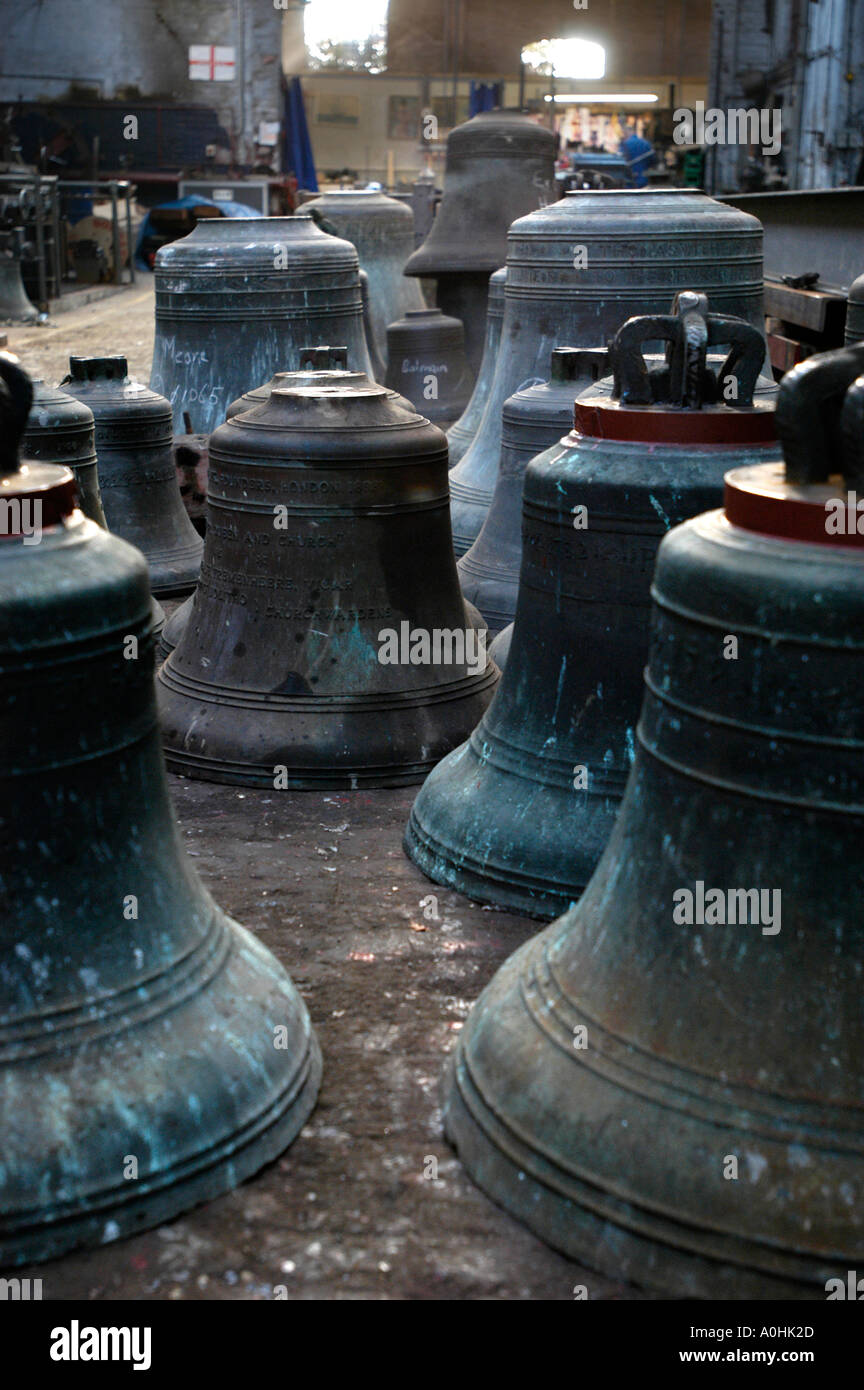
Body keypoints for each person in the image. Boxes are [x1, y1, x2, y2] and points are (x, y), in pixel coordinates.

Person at [619, 122, 656, 187]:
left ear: (627, 132)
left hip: (629, 179)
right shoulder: (646, 143)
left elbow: (620, 160)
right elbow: (653, 160)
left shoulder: (624, 145)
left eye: (624, 133)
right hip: (643, 179)